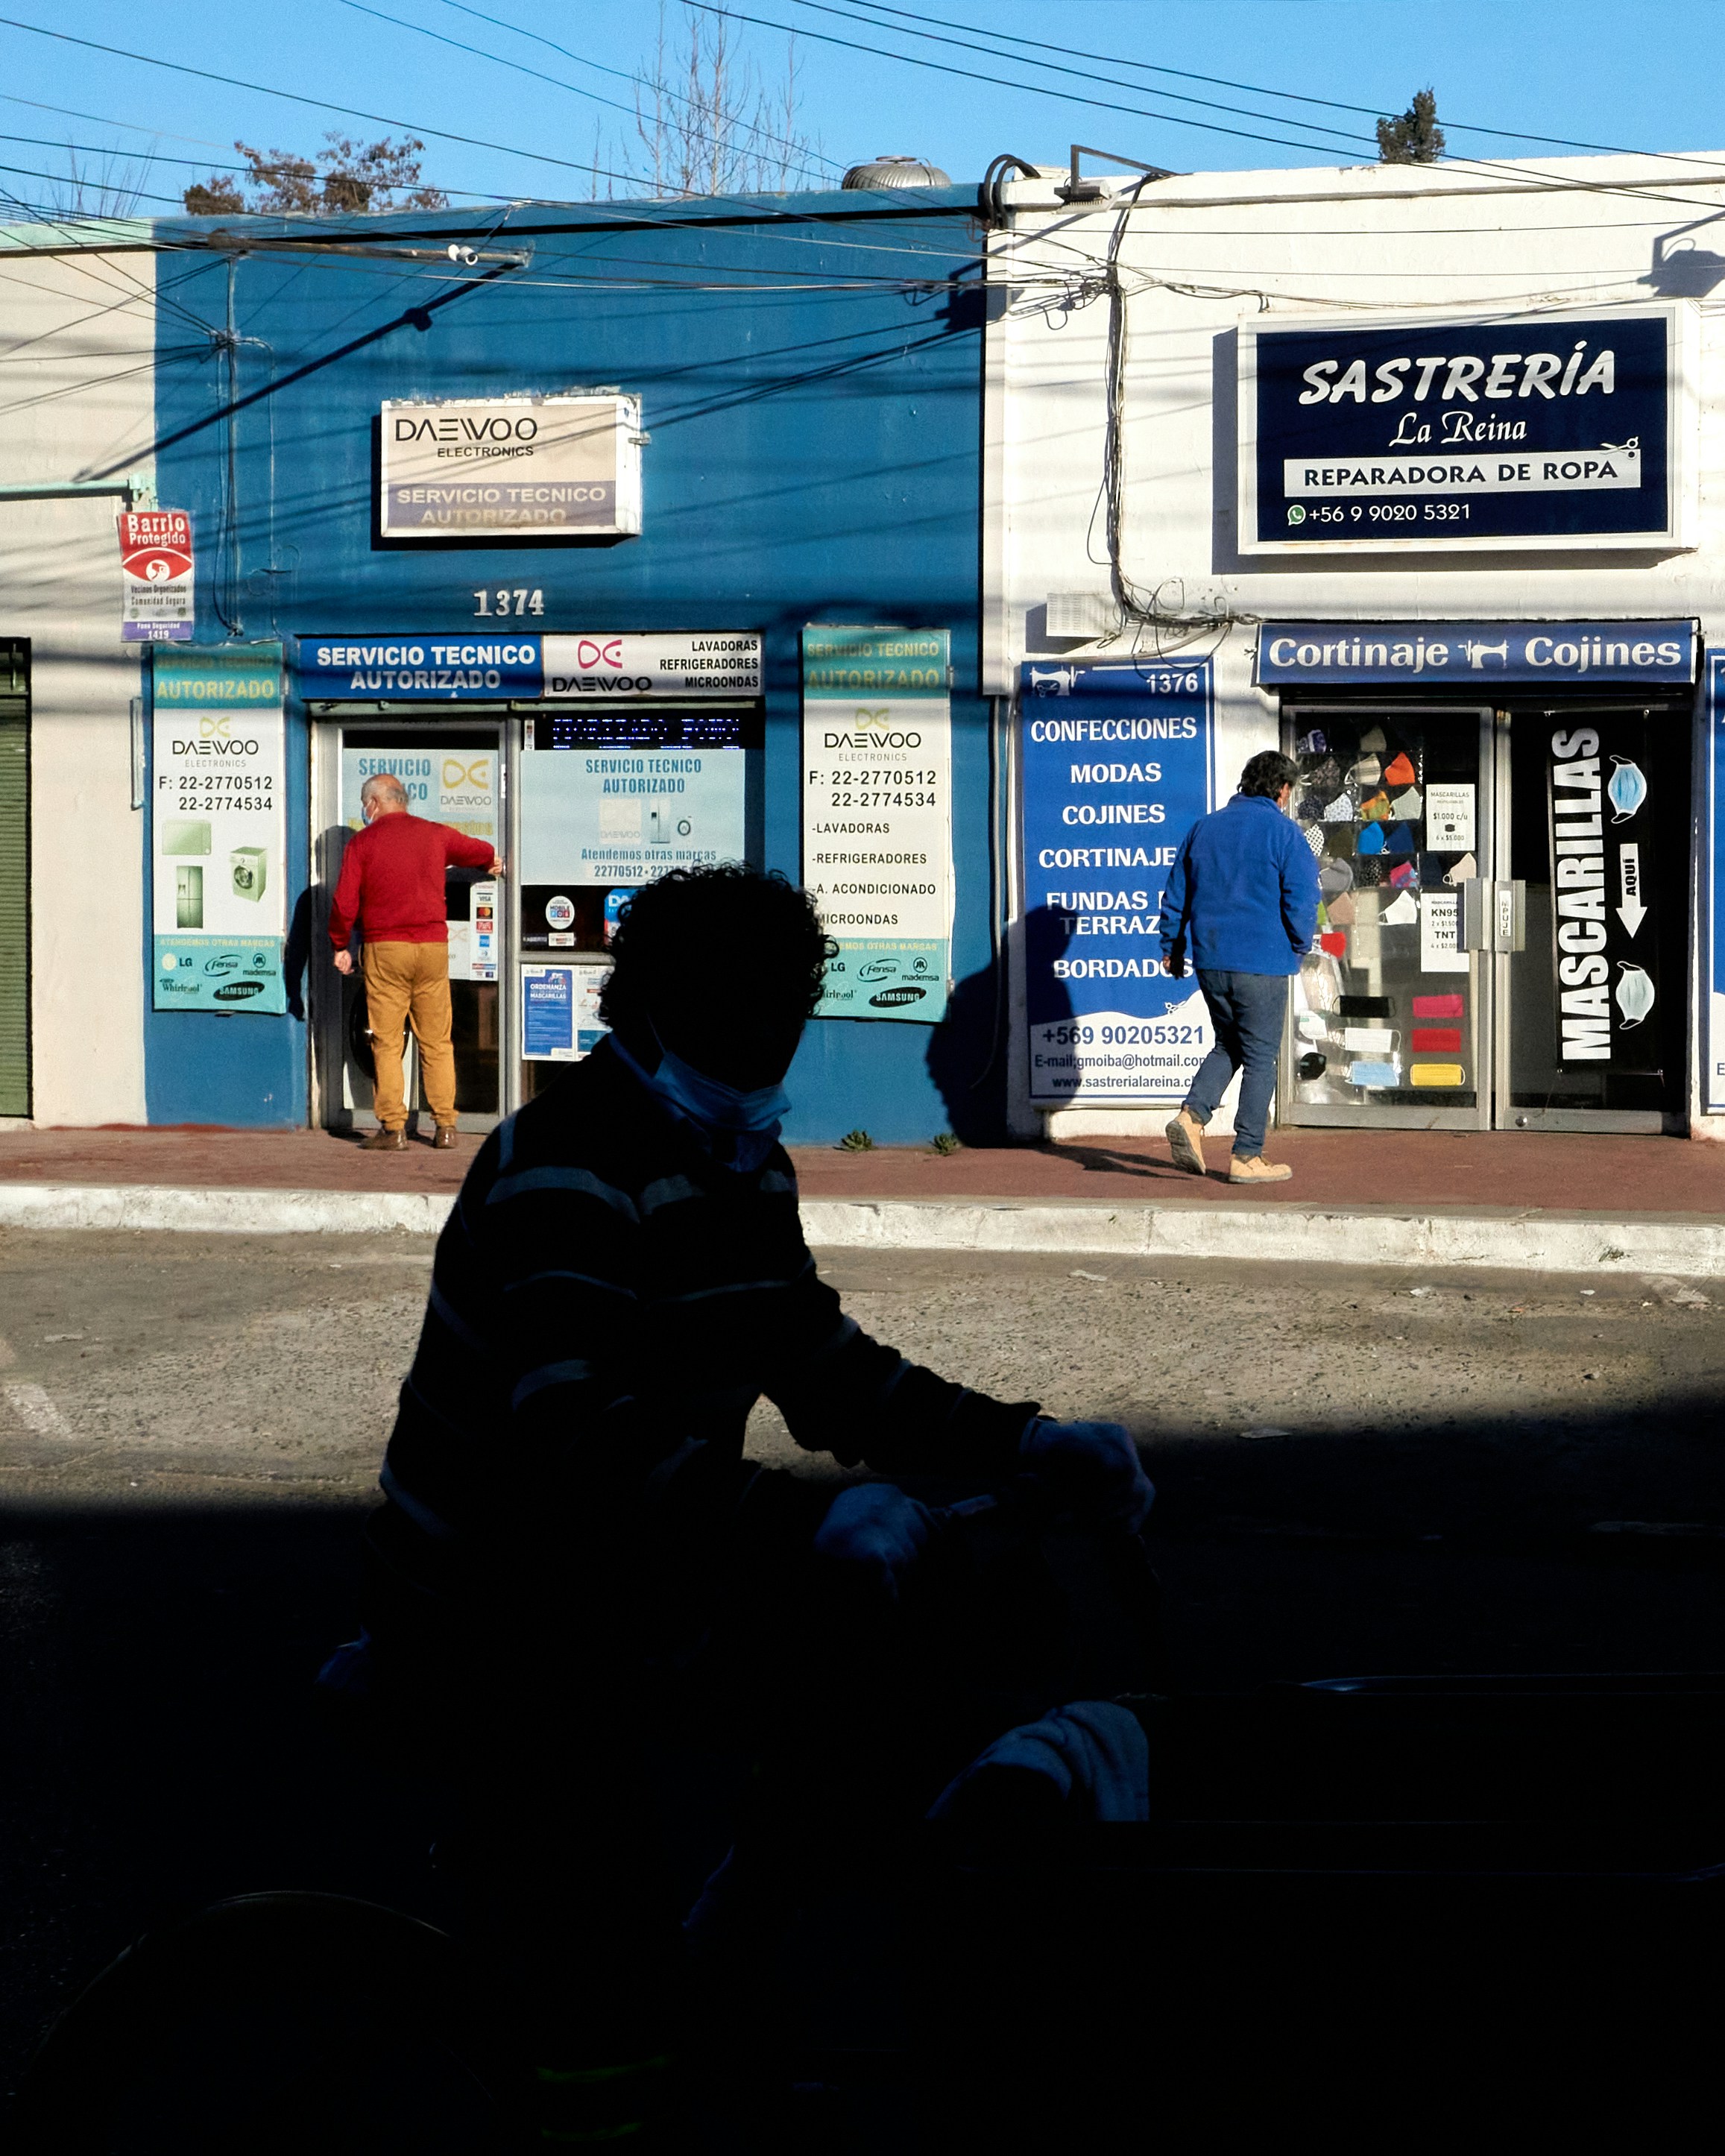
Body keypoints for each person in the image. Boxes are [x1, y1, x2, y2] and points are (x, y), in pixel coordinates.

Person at [352, 862, 1155, 2133]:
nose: (762, 1045)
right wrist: (805, 1518)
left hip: (642, 1568)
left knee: (904, 1671)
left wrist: (1030, 1443)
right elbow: (569, 1437)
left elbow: (819, 1365)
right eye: (738, 1016)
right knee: (602, 1995)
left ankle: (732, 1941)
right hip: (502, 1601)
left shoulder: (738, 1159)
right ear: (656, 1011)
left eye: (782, 1014)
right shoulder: (566, 1162)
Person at [1158, 749, 1319, 1185]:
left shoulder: (1204, 828)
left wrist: (1172, 945)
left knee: (1229, 1043)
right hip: (1262, 964)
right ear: (1283, 790)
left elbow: (1177, 892)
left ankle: (1192, 1118)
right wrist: (1300, 944)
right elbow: (1302, 899)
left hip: (1211, 961)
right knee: (1261, 1057)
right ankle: (1247, 1154)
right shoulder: (1284, 834)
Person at [328, 772, 502, 1151]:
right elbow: (481, 851)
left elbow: (344, 903)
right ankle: (446, 1127)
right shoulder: (434, 834)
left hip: (386, 949)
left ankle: (393, 1128)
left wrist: (340, 944)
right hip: (432, 948)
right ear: (402, 800)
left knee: (388, 1042)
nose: (364, 811)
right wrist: (490, 862)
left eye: (364, 804)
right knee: (437, 1040)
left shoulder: (362, 843)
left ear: (373, 804)